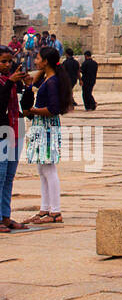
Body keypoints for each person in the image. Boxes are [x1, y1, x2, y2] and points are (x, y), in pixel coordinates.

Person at [21, 46, 73, 225]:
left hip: (46, 126)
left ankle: (55, 211)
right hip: (41, 126)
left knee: (49, 169)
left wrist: (32, 110)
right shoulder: (47, 78)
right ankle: (45, 208)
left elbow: (53, 109)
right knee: (42, 169)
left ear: (46, 61)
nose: (35, 61)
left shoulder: (52, 82)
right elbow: (32, 85)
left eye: (37, 58)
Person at [0, 48, 28, 233]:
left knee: (9, 177)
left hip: (15, 130)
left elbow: (23, 106)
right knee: (0, 177)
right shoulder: (6, 82)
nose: (8, 65)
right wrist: (10, 83)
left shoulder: (11, 81)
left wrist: (28, 87)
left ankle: (6, 216)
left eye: (10, 61)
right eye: (4, 61)